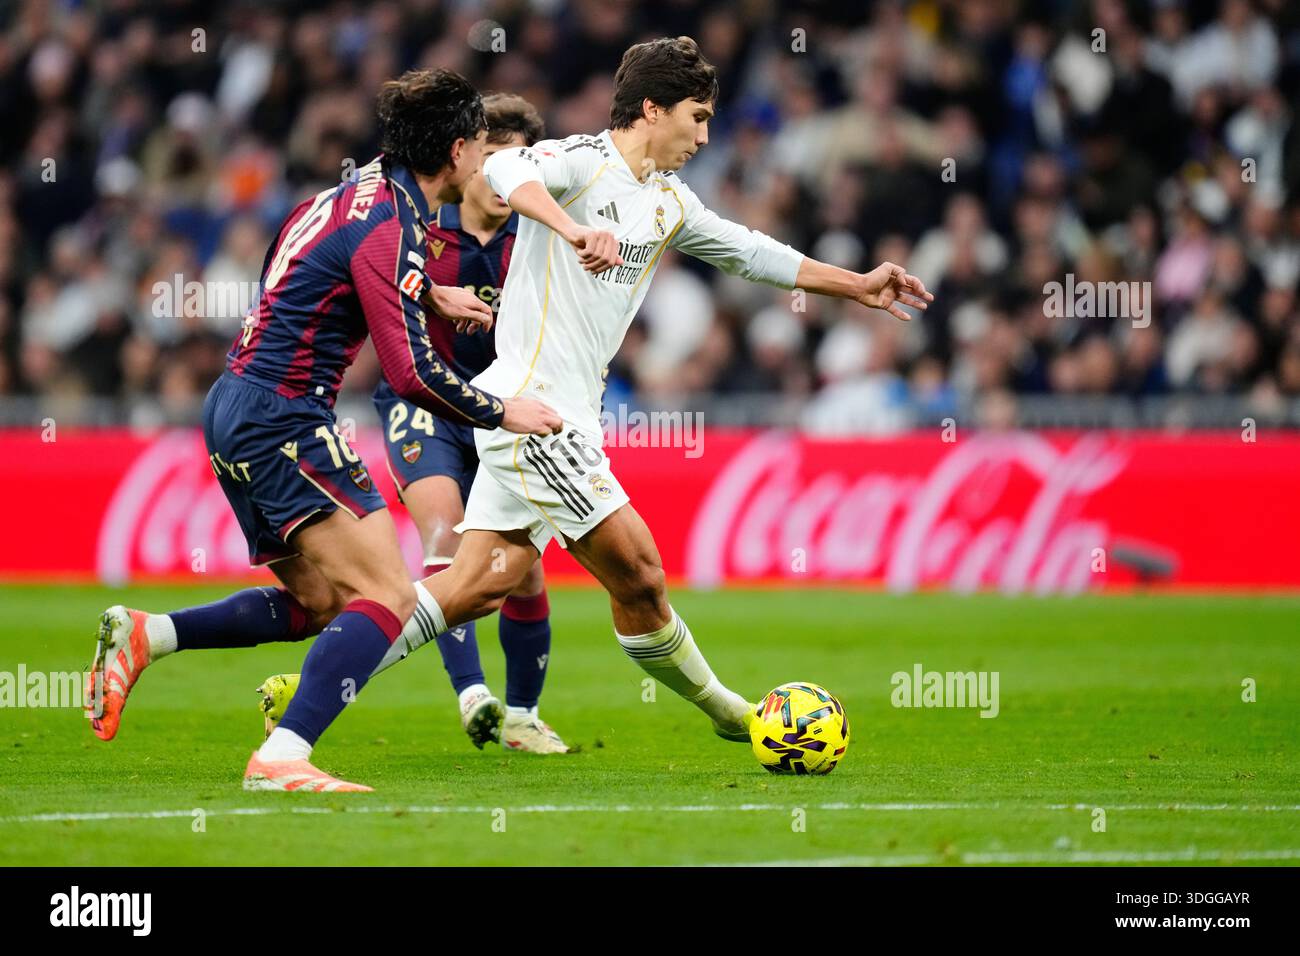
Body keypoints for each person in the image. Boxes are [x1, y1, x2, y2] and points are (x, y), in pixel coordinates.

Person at [254, 36, 933, 791]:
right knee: (639, 573)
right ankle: (735, 714)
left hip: (565, 417)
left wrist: (859, 284)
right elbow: (506, 170)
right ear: (651, 108)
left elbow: (751, 253)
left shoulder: (670, 200)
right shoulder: (582, 161)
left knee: (474, 585)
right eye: (697, 117)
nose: (704, 136)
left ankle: (310, 696)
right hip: (537, 415)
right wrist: (574, 229)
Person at [84, 69, 562, 792]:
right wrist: (507, 411)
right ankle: (282, 757)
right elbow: (408, 376)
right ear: (460, 151)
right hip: (286, 415)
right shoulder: (395, 223)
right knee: (392, 595)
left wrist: (427, 290)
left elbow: (313, 258)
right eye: (485, 151)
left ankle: (151, 635)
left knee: (324, 602)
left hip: (235, 405)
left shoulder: (356, 191)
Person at [263, 93, 572, 755]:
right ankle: (472, 695)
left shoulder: (541, 236)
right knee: (446, 534)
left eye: (516, 162)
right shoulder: (417, 228)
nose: (499, 175)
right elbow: (390, 327)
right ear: (465, 157)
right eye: (490, 158)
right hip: (425, 405)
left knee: (522, 572)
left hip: (506, 408)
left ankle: (522, 717)